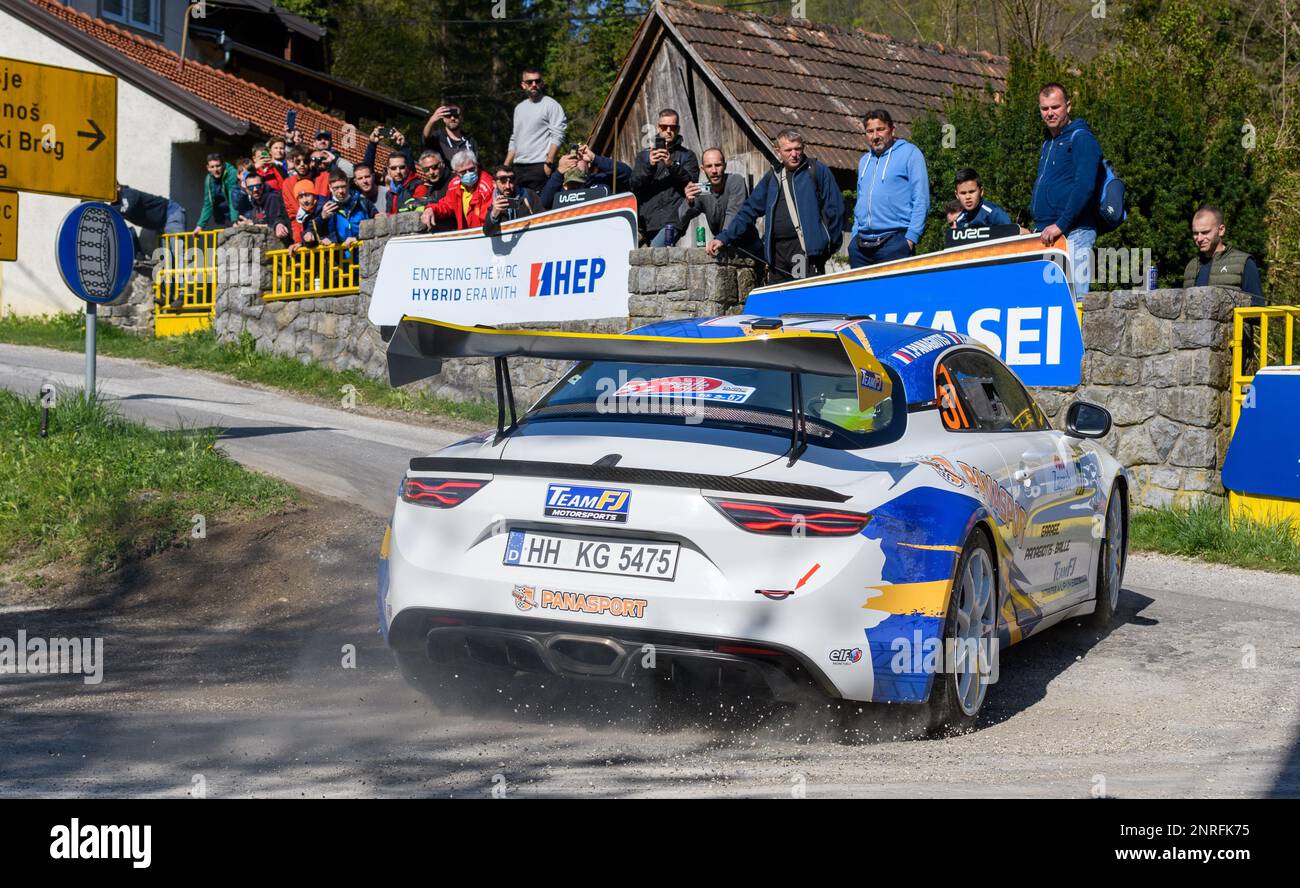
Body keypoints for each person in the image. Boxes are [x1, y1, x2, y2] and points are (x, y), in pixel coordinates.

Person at [707, 129, 843, 284]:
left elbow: (835, 211)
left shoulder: (816, 171)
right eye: (788, 150)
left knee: (802, 301)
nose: (794, 154)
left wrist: (825, 248)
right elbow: (748, 211)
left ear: (803, 148)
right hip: (776, 254)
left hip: (803, 251)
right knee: (779, 303)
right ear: (778, 152)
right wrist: (724, 237)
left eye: (797, 149)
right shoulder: (773, 177)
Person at [1029, 82, 1104, 295]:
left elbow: (1085, 187)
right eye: (1045, 108)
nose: (1050, 113)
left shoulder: (1081, 138)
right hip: (1048, 234)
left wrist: (1061, 224)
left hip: (1075, 232)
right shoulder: (1048, 143)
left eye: (1055, 107)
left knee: (1074, 300)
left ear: (1068, 106)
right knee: (1050, 301)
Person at [848, 109, 929, 267]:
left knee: (896, 292)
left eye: (880, 129)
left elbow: (921, 199)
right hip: (861, 246)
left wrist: (911, 238)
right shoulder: (864, 161)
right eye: (870, 131)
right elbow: (861, 200)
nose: (875, 136)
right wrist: (854, 234)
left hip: (895, 242)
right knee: (863, 292)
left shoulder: (910, 154)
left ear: (892, 130)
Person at [630, 109, 699, 246]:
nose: (668, 130)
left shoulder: (687, 155)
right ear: (658, 127)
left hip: (673, 219)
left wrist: (671, 165)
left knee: (657, 252)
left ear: (678, 129)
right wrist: (650, 166)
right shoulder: (644, 156)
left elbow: (692, 182)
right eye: (664, 127)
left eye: (672, 127)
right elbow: (634, 185)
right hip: (647, 221)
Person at [677, 147, 758, 249]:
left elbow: (733, 213)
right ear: (703, 169)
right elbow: (682, 218)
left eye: (718, 165)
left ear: (724, 165)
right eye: (709, 166)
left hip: (747, 247)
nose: (714, 170)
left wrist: (721, 238)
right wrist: (689, 202)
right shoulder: (703, 191)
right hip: (722, 246)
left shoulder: (735, 181)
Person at [1183, 206, 1264, 305]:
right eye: (1195, 233)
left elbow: (1257, 308)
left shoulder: (1244, 263)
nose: (1199, 239)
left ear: (1221, 230)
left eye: (1205, 232)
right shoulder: (1191, 266)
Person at [504, 66, 567, 193]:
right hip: (518, 168)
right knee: (520, 208)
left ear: (542, 83)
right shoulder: (519, 108)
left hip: (540, 166)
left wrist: (549, 162)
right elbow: (515, 138)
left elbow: (558, 134)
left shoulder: (551, 105)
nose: (534, 85)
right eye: (530, 82)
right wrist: (505, 166)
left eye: (537, 81)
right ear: (523, 85)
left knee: (540, 207)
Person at [420, 148, 495, 231]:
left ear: (477, 166)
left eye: (471, 169)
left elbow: (487, 220)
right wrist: (431, 209)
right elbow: (447, 204)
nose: (468, 173)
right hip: (465, 233)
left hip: (482, 234)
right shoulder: (454, 184)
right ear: (456, 173)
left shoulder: (487, 185)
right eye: (463, 172)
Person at [539, 144, 631, 209]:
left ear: (589, 164)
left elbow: (626, 173)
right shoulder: (558, 186)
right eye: (570, 158)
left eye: (579, 157)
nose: (574, 161)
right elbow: (544, 203)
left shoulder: (601, 179)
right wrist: (559, 172)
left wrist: (595, 159)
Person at [320, 170, 376, 248]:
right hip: (340, 256)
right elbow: (316, 231)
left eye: (343, 186)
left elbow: (376, 227)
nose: (341, 191)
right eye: (336, 188)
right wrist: (322, 219)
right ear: (330, 187)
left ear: (348, 185)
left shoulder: (363, 203)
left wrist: (357, 238)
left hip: (364, 253)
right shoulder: (324, 207)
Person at [483, 162, 542, 235]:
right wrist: (494, 214)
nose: (508, 186)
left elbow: (544, 220)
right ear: (494, 184)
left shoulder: (529, 195)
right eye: (503, 180)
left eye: (511, 180)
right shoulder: (489, 200)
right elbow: (487, 232)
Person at [236, 171, 291, 245]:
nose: (255, 189)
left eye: (258, 186)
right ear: (247, 189)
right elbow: (261, 221)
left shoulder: (273, 198)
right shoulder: (254, 201)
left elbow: (274, 225)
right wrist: (250, 223)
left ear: (263, 185)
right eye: (251, 187)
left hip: (283, 245)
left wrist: (253, 225)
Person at [422, 101, 478, 170]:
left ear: (462, 118)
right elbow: (426, 136)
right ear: (443, 119)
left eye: (456, 115)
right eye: (448, 115)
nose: (452, 118)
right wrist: (432, 121)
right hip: (447, 180)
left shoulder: (469, 140)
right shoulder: (437, 137)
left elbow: (477, 164)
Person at [195, 152, 239, 232]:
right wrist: (200, 226)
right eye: (212, 167)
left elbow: (233, 198)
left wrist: (235, 220)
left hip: (238, 213)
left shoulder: (232, 173)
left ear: (223, 165)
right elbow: (208, 203)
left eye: (218, 166)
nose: (215, 170)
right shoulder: (209, 179)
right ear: (208, 168)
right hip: (224, 217)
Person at [289, 179, 327, 251]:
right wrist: (305, 239)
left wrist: (331, 238)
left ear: (314, 195)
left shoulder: (326, 206)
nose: (305, 200)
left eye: (307, 195)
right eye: (301, 197)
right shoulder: (303, 214)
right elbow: (312, 237)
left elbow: (335, 229)